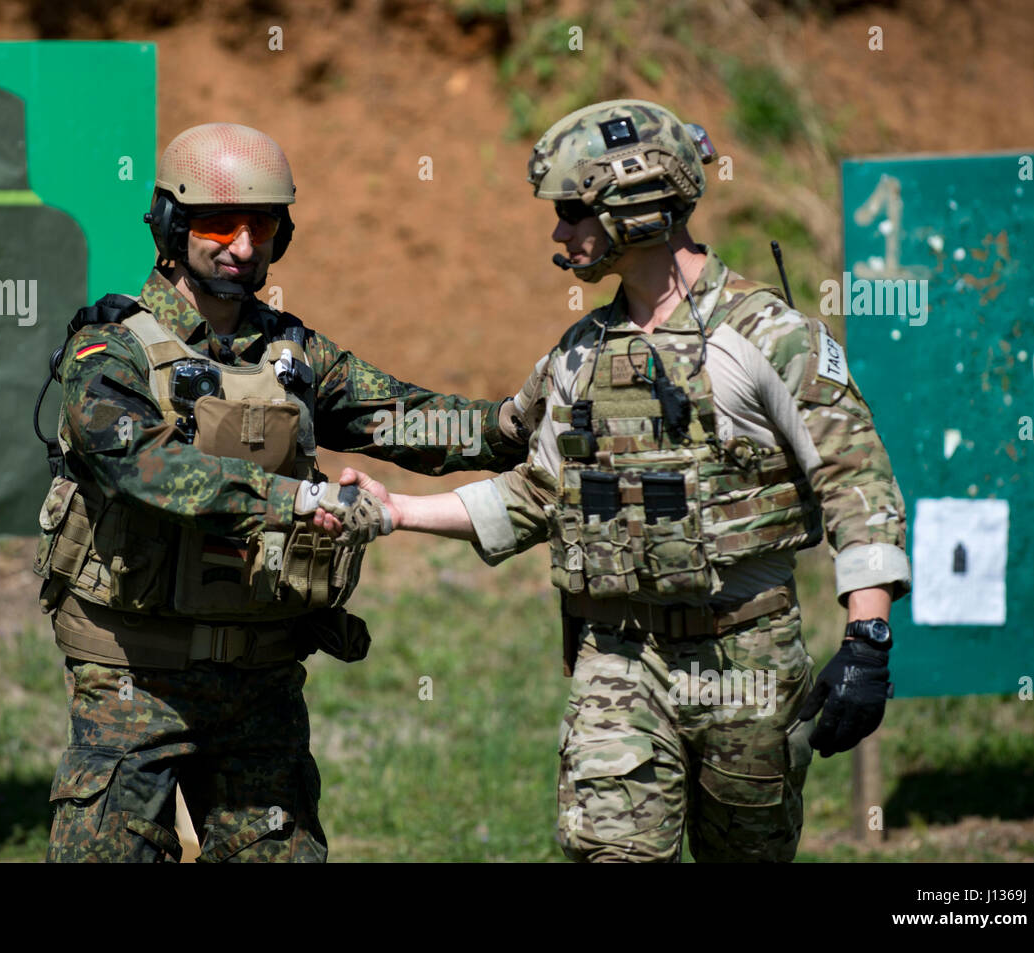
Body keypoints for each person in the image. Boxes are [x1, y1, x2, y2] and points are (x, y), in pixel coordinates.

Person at [338, 100, 911, 862]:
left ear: (635, 203)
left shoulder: (766, 335)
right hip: (617, 658)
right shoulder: (578, 355)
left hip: (747, 657)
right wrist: (397, 510)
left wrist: (868, 639)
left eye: (571, 211)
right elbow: (537, 491)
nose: (557, 232)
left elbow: (856, 479)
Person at [31, 122, 526, 862]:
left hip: (261, 679)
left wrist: (518, 421)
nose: (241, 245)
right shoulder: (110, 350)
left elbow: (405, 417)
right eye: (218, 224)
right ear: (171, 225)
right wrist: (295, 501)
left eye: (260, 225)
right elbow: (141, 467)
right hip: (132, 677)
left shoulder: (294, 354)